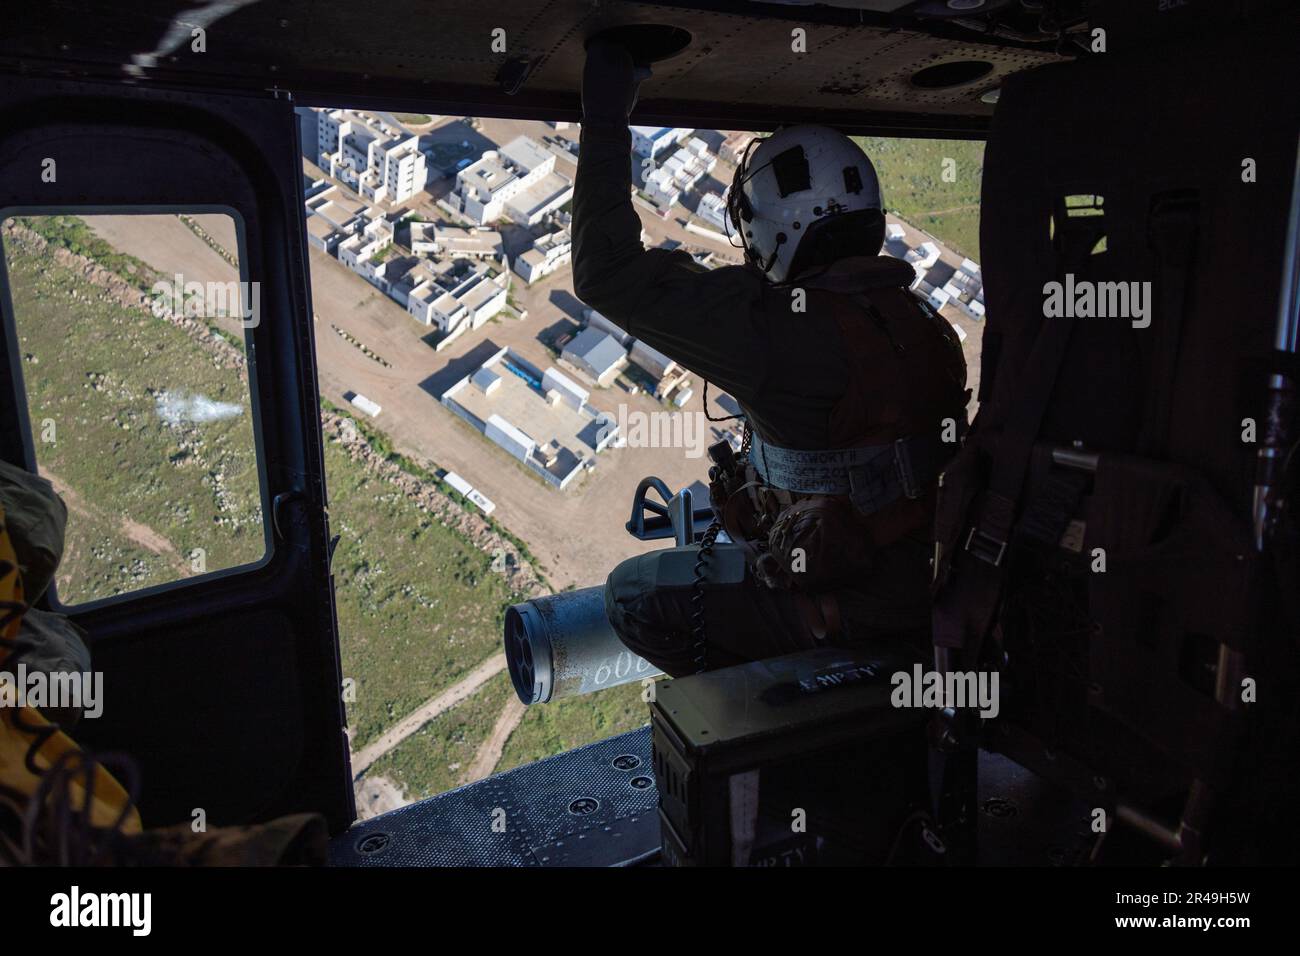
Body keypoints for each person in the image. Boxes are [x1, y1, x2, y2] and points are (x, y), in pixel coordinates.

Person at [572, 40, 969, 677]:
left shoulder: (772, 330)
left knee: (636, 598)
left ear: (773, 231)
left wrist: (605, 115)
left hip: (850, 603)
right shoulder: (925, 323)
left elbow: (606, 274)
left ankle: (779, 718)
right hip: (935, 586)